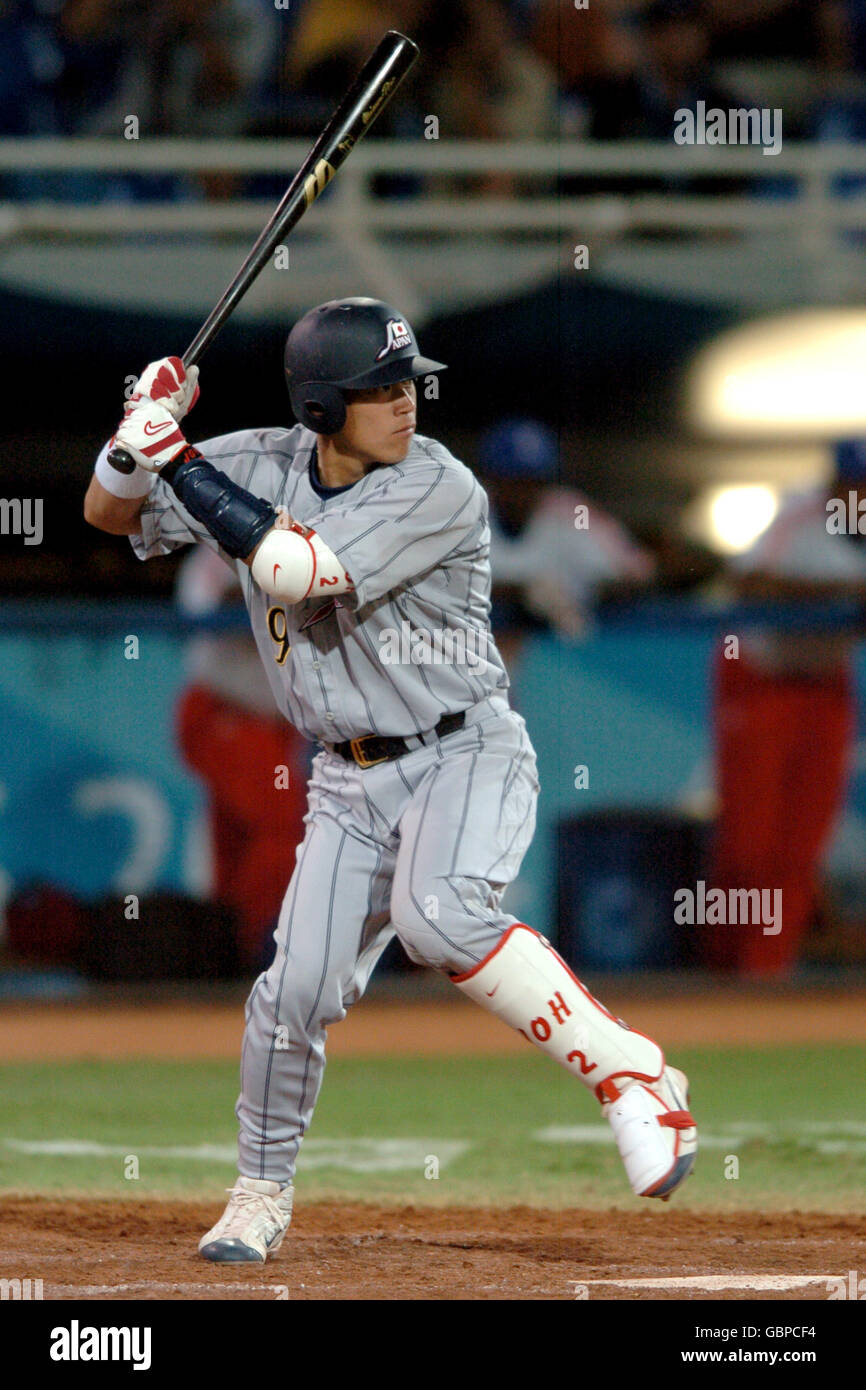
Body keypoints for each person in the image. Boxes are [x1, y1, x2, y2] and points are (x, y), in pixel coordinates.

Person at [84, 299, 697, 1264]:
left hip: (466, 748)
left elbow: (293, 569)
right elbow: (108, 513)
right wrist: (132, 441)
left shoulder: (439, 484)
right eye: (381, 390)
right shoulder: (259, 460)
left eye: (411, 382)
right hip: (347, 778)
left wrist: (181, 456)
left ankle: (634, 1077)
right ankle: (257, 1194)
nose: (409, 402)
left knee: (441, 914)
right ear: (323, 407)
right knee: (294, 994)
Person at [707, 439, 866, 977]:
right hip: (760, 676)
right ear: (835, 485)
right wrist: (845, 591)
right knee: (751, 843)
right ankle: (723, 973)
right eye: (853, 484)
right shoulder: (802, 513)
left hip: (826, 685)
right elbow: (748, 581)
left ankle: (766, 976)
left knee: (801, 846)